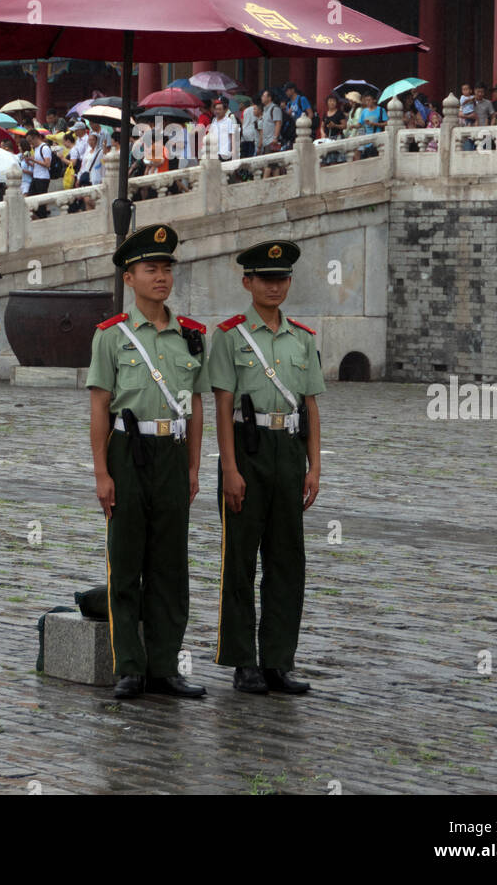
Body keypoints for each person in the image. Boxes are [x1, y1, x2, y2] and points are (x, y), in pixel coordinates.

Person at [87, 223, 207, 701]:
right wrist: (101, 471)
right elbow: (99, 405)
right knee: (127, 558)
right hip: (127, 451)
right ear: (129, 278)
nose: (160, 277)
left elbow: (195, 406)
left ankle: (165, 666)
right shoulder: (111, 337)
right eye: (149, 269)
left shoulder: (192, 336)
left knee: (171, 565)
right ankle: (129, 666)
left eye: (166, 268)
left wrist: (195, 467)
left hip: (173, 454)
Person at [209, 240, 323, 695]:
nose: (275, 287)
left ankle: (278, 659)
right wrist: (230, 469)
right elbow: (221, 408)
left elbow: (312, 406)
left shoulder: (302, 337)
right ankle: (243, 661)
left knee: (287, 560)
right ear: (247, 282)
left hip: (289, 451)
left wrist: (314, 467)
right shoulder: (230, 336)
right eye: (266, 279)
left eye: (282, 279)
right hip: (247, 449)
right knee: (240, 560)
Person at [258, 88, 283, 178]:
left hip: (271, 141)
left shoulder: (275, 109)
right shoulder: (265, 110)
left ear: (269, 98)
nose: (262, 98)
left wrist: (275, 137)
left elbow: (278, 123)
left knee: (268, 165)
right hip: (266, 141)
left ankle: (263, 184)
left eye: (263, 96)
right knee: (274, 166)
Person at [210, 96, 240, 161]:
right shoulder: (214, 120)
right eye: (216, 109)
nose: (217, 111)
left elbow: (233, 136)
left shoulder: (229, 120)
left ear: (224, 110)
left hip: (225, 154)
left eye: (220, 109)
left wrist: (234, 152)